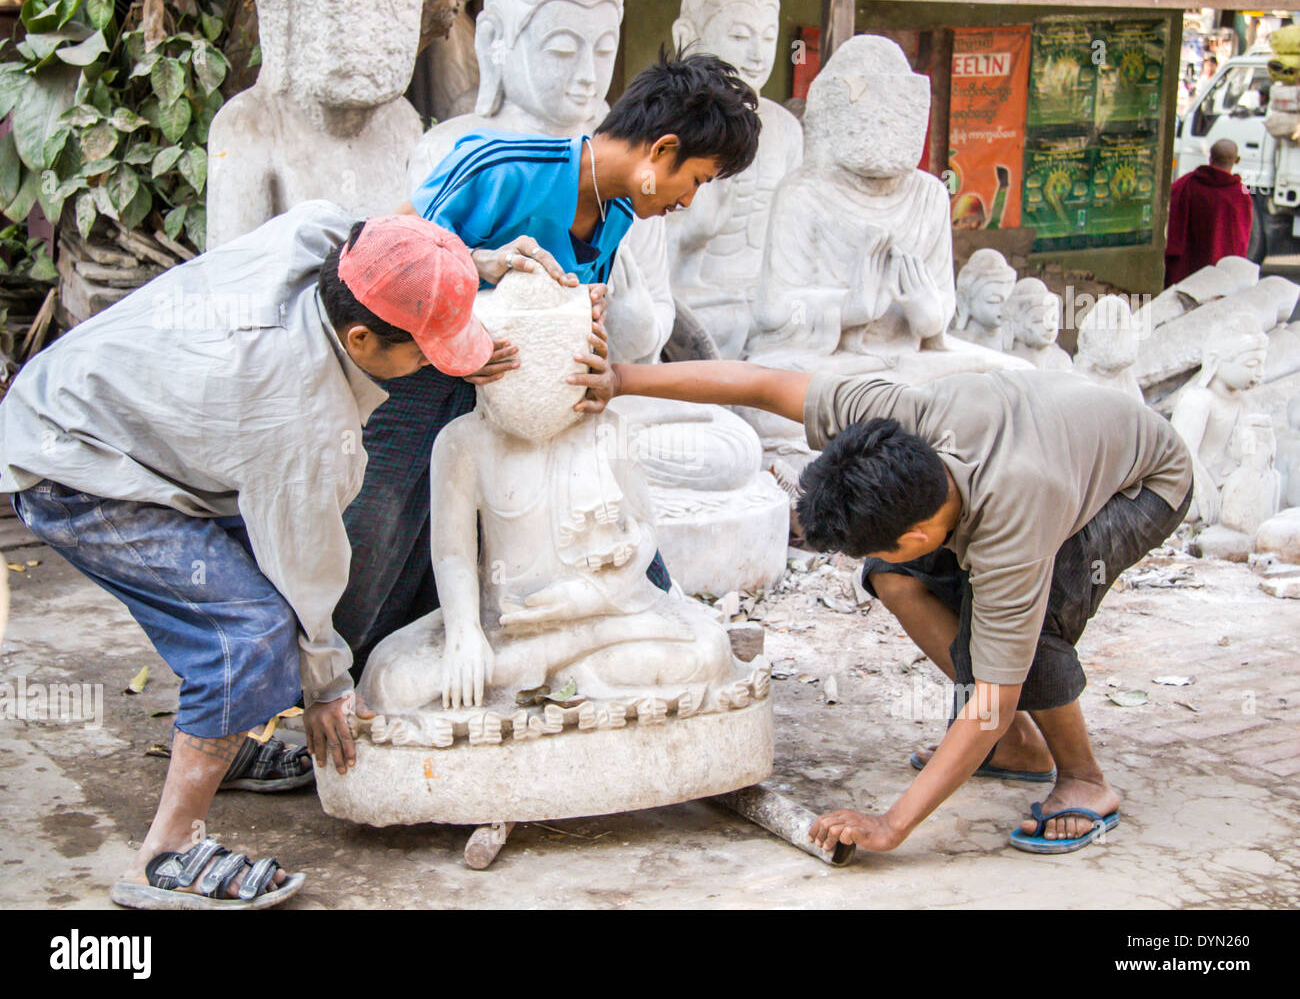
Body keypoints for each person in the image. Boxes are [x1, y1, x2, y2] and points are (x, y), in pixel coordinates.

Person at [0, 204, 562, 909]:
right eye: (422, 349)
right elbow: (307, 570)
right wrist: (326, 684)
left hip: (107, 406)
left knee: (252, 606)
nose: (428, 363)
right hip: (73, 468)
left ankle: (225, 745)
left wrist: (457, 271)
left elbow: (376, 237)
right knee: (251, 631)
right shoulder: (298, 416)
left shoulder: (327, 243)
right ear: (360, 337)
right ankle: (165, 853)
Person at [580, 358, 1193, 856]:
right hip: (1050, 436)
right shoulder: (897, 421)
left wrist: (891, 825)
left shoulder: (1014, 524)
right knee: (894, 579)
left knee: (1034, 634)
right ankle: (1016, 747)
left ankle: (1086, 778)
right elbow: (763, 385)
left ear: (922, 533)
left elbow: (993, 696)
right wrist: (625, 379)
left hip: (1142, 482)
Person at [332, 49, 761, 664]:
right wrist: (461, 336)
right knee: (382, 532)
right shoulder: (500, 168)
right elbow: (381, 265)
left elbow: (579, 322)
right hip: (422, 378)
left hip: (525, 399)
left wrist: (593, 360)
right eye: (695, 179)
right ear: (662, 151)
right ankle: (324, 696)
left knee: (615, 540)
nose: (688, 201)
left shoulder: (616, 217)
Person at [1165, 138, 1254, 286]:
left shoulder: (1186, 183)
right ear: (1237, 160)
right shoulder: (1241, 193)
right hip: (1220, 277)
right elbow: (1241, 240)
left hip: (1186, 273)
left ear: (1210, 158)